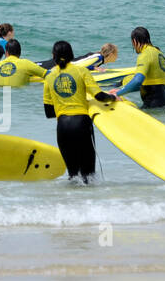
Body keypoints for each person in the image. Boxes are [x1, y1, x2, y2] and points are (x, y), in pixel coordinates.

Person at [43, 41, 114, 182]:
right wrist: (113, 97)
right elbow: (99, 96)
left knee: (73, 176)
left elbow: (49, 112)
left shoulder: (49, 77)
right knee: (88, 176)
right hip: (82, 124)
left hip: (62, 128)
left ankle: (70, 203)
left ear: (53, 56)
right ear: (71, 55)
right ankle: (90, 202)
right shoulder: (82, 71)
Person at [108, 26, 165, 108]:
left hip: (154, 105)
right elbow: (153, 85)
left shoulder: (145, 54)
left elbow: (138, 81)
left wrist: (117, 94)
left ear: (135, 41)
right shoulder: (158, 53)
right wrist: (121, 90)